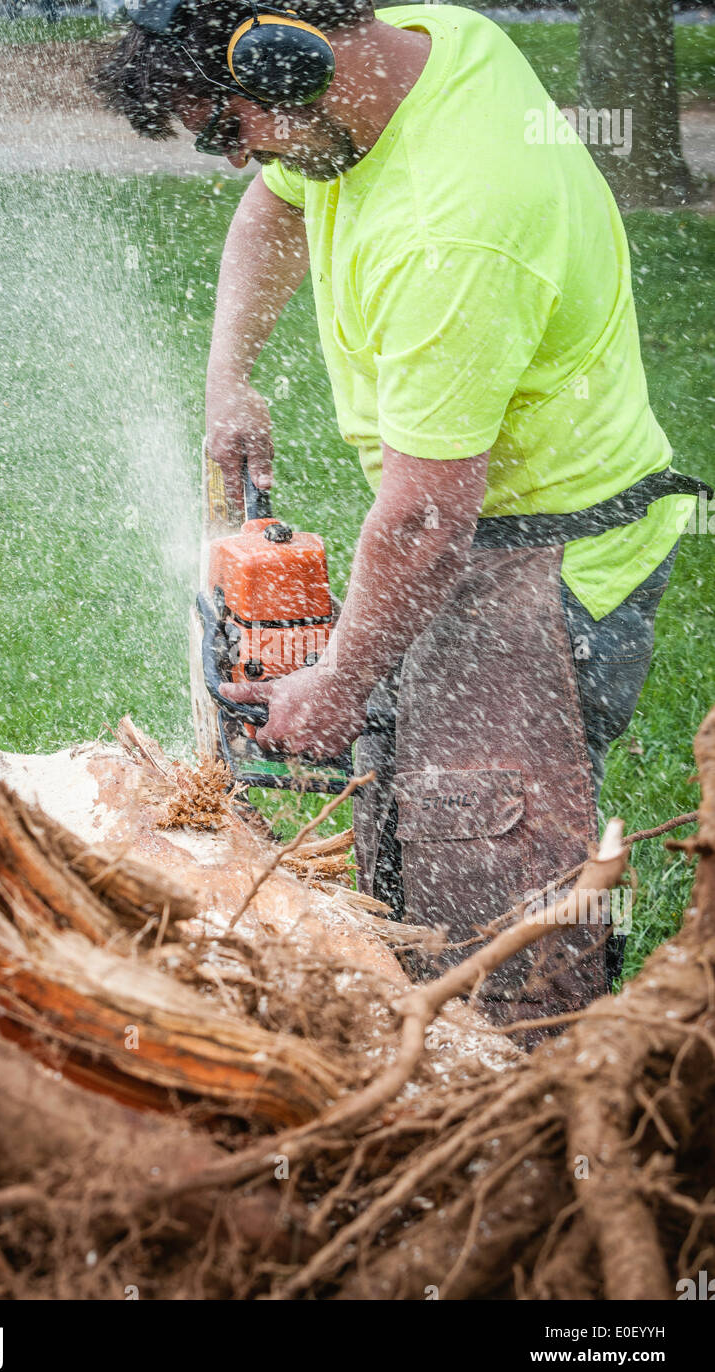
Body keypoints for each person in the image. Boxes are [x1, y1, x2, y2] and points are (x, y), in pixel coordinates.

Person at [97, 1, 709, 1041]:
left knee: (490, 882)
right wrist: (228, 382)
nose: (227, 155)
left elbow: (423, 521)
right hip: (470, 530)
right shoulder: (413, 51)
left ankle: (532, 1113)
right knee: (403, 837)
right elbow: (271, 204)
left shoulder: (453, 223)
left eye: (223, 127)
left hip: (547, 558)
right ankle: (412, 1041)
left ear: (287, 62)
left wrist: (337, 680)